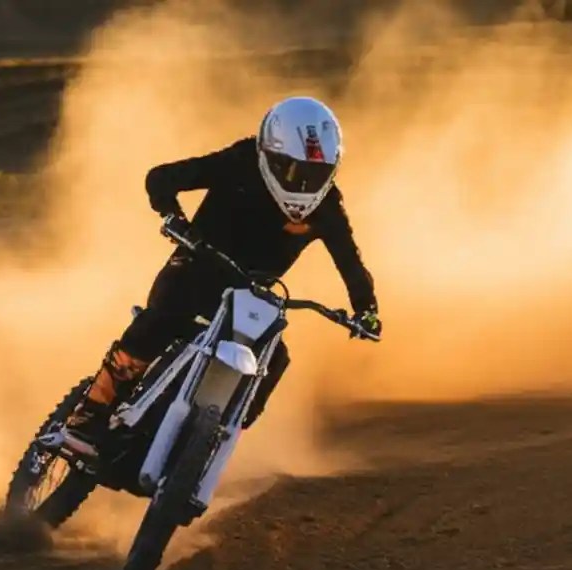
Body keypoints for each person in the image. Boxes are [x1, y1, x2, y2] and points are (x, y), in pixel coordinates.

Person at [58, 96, 382, 457]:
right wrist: (175, 220)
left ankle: (213, 445)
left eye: (317, 174)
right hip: (195, 269)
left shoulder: (328, 206)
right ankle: (88, 415)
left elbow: (350, 263)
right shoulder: (241, 161)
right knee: (161, 320)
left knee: (274, 361)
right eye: (293, 170)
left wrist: (366, 310)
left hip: (250, 298)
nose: (304, 184)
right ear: (269, 155)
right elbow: (161, 179)